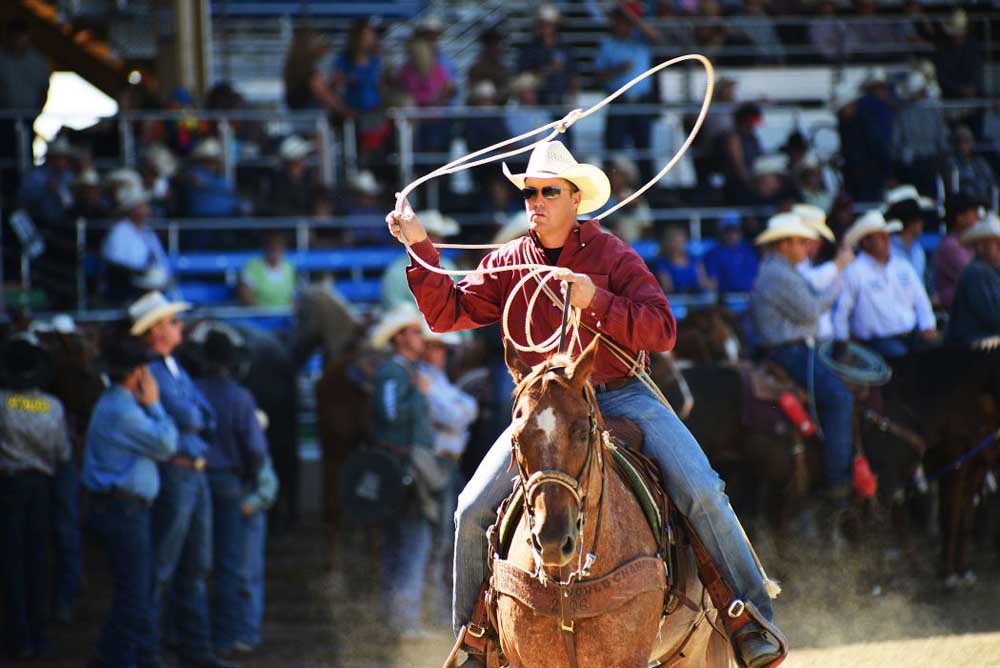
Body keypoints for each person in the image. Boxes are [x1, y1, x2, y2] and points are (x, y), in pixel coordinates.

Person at [386, 140, 786, 668]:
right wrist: (419, 245)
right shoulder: (509, 262)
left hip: (620, 390)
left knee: (704, 490)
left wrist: (593, 300)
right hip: (546, 404)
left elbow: (662, 328)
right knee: (470, 508)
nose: (537, 200)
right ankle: (476, 638)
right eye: (530, 191)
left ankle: (746, 617)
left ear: (576, 198)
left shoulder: (613, 256)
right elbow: (447, 313)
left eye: (549, 190)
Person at [127, 292, 232, 668]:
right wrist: (196, 420)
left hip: (189, 470)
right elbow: (193, 416)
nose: (178, 326)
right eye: (172, 322)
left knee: (191, 564)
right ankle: (152, 649)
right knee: (169, 564)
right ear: (155, 329)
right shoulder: (155, 368)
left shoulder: (167, 366)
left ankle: (190, 649)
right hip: (178, 471)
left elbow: (197, 413)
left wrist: (195, 419)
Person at [82, 331, 178, 668]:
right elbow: (167, 444)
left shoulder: (110, 404)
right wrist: (154, 404)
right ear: (138, 373)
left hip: (119, 506)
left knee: (135, 589)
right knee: (134, 594)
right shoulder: (125, 410)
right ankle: (115, 658)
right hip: (124, 510)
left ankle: (129, 656)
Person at [751, 213, 855, 510]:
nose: (805, 246)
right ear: (784, 244)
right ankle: (837, 481)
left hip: (794, 348)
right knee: (839, 398)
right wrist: (838, 282)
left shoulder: (780, 270)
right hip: (790, 351)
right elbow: (811, 311)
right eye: (799, 242)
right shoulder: (778, 274)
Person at [193, 330, 270, 657]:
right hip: (227, 482)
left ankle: (184, 635)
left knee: (191, 563)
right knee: (227, 564)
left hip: (193, 478)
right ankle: (224, 638)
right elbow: (255, 450)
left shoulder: (191, 391)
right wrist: (250, 479)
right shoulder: (240, 397)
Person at [0, 335, 71, 661]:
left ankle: (19, 636)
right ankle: (40, 634)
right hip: (42, 486)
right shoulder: (52, 407)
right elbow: (62, 453)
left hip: (9, 487)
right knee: (39, 559)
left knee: (12, 561)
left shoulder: (2, 403)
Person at [369, 304, 436, 636]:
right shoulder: (394, 374)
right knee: (412, 540)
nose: (420, 337)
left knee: (402, 542)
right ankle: (404, 620)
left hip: (404, 464)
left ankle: (395, 617)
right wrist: (419, 395)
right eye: (413, 331)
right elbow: (391, 413)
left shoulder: (402, 372)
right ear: (398, 338)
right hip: (404, 465)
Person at [417, 328, 479, 626]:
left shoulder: (434, 380)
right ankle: (431, 610)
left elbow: (469, 408)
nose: (440, 352)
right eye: (434, 347)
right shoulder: (424, 380)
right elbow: (456, 415)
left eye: (442, 348)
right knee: (437, 540)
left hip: (446, 464)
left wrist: (457, 411)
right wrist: (457, 411)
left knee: (444, 540)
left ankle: (437, 609)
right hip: (436, 464)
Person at [833, 211, 938, 358]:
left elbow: (921, 300)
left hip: (911, 333)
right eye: (880, 236)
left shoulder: (902, 266)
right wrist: (842, 343)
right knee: (900, 356)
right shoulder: (854, 272)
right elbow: (841, 311)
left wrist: (928, 326)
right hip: (878, 340)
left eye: (886, 235)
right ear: (865, 242)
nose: (886, 240)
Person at [592, 7, 656, 183]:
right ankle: (609, 187)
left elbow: (656, 36)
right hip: (619, 100)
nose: (622, 25)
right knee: (613, 146)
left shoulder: (641, 41)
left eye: (625, 21)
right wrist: (617, 70)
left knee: (644, 148)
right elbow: (596, 74)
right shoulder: (608, 44)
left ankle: (649, 188)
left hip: (642, 101)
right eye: (619, 21)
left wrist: (631, 15)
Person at [102, 185, 173, 305]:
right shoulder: (119, 231)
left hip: (150, 280)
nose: (147, 208)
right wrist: (141, 273)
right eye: (142, 205)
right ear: (133, 209)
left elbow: (159, 258)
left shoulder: (147, 231)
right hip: (128, 284)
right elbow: (114, 262)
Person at [792, 204, 853, 341]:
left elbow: (831, 293)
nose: (818, 244)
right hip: (804, 339)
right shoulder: (791, 263)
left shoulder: (806, 263)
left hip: (820, 336)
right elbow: (809, 283)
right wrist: (838, 264)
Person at [381, 211, 458, 309]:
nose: (437, 242)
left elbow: (455, 303)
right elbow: (394, 305)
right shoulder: (397, 270)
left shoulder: (449, 266)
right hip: (409, 321)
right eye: (431, 237)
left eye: (438, 238)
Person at [947, 214, 1000, 344]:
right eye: (997, 244)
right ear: (981, 246)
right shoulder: (976, 273)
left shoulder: (989, 272)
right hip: (972, 341)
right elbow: (991, 315)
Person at [933, 193, 980, 310]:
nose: (978, 217)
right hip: (954, 312)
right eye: (973, 213)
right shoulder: (950, 245)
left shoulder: (972, 243)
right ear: (960, 218)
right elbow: (975, 277)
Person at [884, 185, 932, 287]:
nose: (922, 223)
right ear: (912, 223)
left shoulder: (917, 250)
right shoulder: (887, 250)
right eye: (919, 220)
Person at [703, 212, 760, 295]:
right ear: (721, 233)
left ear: (740, 232)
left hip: (749, 297)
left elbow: (756, 277)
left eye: (735, 231)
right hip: (724, 299)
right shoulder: (714, 253)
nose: (732, 235)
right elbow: (712, 281)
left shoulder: (748, 250)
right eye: (728, 232)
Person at [238, 231, 297, 308]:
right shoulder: (253, 266)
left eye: (279, 246)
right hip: (257, 316)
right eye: (272, 246)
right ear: (265, 247)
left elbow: (293, 297)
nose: (275, 250)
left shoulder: (289, 267)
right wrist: (260, 314)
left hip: (285, 316)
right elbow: (245, 295)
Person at [650, 225, 712, 294]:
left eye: (681, 242)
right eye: (675, 242)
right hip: (674, 301)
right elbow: (667, 288)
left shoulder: (695, 260)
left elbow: (703, 283)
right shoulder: (661, 263)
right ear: (668, 243)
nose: (679, 245)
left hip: (696, 301)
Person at [945, 125, 995, 206]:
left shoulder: (980, 162)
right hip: (965, 204)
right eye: (961, 141)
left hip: (985, 201)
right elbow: (952, 184)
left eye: (967, 141)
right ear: (955, 143)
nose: (964, 144)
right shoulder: (951, 162)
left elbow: (991, 180)